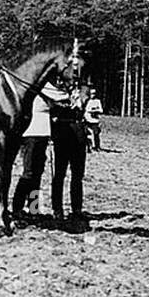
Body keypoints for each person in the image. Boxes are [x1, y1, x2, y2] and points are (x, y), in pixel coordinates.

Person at [51, 84, 89, 224]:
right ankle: (57, 209)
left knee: (78, 175)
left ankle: (77, 209)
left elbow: (84, 100)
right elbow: (53, 108)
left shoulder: (83, 89)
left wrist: (76, 100)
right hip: (62, 132)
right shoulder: (57, 91)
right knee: (59, 174)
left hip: (78, 132)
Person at [11, 91, 51, 220]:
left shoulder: (49, 90)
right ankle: (17, 207)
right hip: (32, 133)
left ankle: (33, 208)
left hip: (44, 133)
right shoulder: (39, 90)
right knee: (28, 172)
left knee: (37, 173)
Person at [84, 86, 103, 151]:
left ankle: (97, 146)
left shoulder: (97, 101)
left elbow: (101, 110)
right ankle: (88, 146)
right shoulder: (87, 101)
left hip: (94, 120)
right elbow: (85, 109)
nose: (93, 95)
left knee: (96, 133)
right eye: (91, 93)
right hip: (87, 119)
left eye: (94, 93)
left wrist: (94, 111)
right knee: (86, 133)